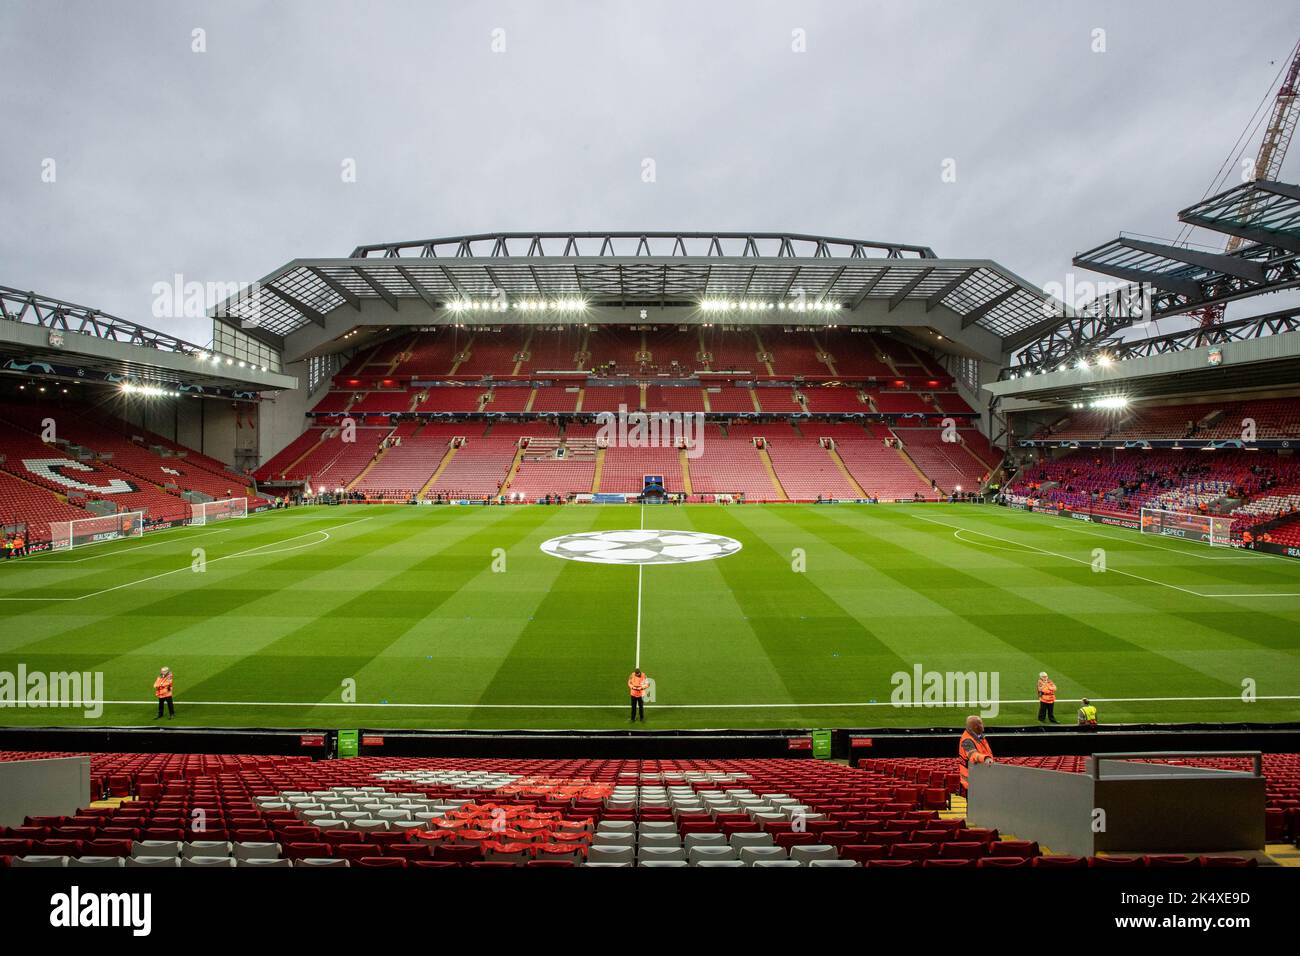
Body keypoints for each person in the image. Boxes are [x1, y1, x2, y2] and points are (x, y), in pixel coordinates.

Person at [957, 716, 993, 794]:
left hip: (980, 778)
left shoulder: (979, 736)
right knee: (973, 806)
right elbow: (973, 755)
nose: (983, 725)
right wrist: (985, 758)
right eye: (981, 723)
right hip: (973, 782)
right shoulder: (967, 740)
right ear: (976, 726)